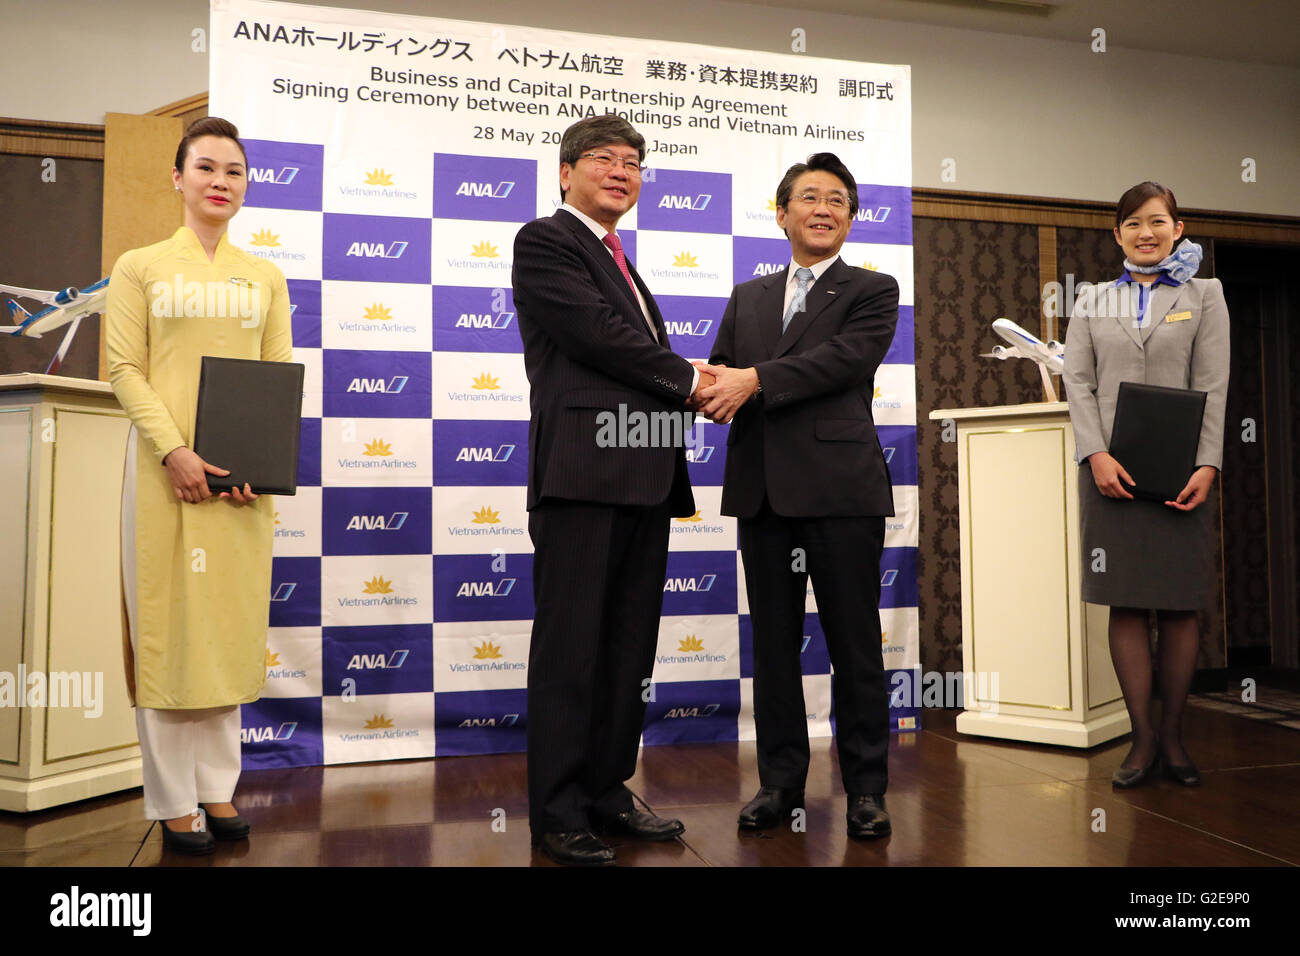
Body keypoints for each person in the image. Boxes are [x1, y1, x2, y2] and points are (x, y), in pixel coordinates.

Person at [511, 114, 716, 866]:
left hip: (644, 473)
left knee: (628, 649)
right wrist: (693, 378)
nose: (622, 171)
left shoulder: (625, 263)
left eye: (634, 161)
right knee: (572, 649)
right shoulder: (545, 242)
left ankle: (604, 788)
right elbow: (598, 336)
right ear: (565, 173)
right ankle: (557, 812)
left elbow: (630, 350)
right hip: (583, 475)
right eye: (603, 158)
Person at [106, 116, 293, 854]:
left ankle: (218, 788)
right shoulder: (140, 266)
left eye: (234, 172)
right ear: (178, 178)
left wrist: (256, 465)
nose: (221, 182)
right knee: (167, 631)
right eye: (207, 168)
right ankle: (172, 798)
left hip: (239, 487)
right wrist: (175, 450)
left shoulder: (264, 275)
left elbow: (275, 376)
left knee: (224, 628)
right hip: (163, 475)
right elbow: (125, 368)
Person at [699, 152, 899, 838]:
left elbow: (844, 362)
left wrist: (752, 380)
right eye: (809, 197)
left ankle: (867, 790)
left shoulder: (873, 289)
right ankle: (779, 784)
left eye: (837, 200)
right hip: (762, 493)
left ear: (849, 218)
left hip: (841, 492)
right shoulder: (747, 296)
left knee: (855, 646)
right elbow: (725, 372)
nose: (824, 209)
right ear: (780, 213)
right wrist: (703, 387)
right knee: (774, 648)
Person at [1063, 182, 1228, 789]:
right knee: (1127, 600)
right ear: (1117, 235)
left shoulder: (1205, 295)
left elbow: (1213, 382)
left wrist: (1208, 464)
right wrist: (1096, 455)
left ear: (1177, 228)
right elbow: (1078, 381)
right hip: (1111, 472)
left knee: (1180, 603)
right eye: (1132, 224)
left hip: (1182, 472)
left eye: (1157, 222)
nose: (1146, 233)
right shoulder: (1093, 300)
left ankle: (1177, 736)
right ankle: (1142, 739)